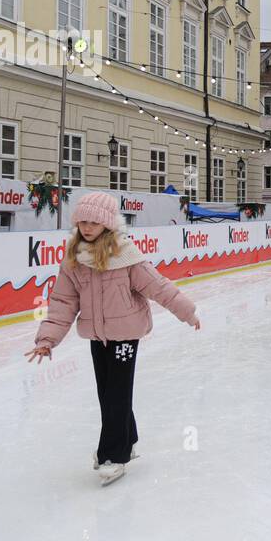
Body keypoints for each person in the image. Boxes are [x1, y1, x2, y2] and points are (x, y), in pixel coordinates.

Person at [24, 192, 200, 486]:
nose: (88, 228)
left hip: (126, 335)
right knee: (107, 392)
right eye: (83, 222)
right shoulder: (74, 259)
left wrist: (188, 313)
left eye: (94, 222)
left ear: (107, 224)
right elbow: (63, 303)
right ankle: (127, 438)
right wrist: (47, 339)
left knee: (117, 393)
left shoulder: (126, 256)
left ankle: (113, 455)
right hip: (97, 335)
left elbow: (159, 288)